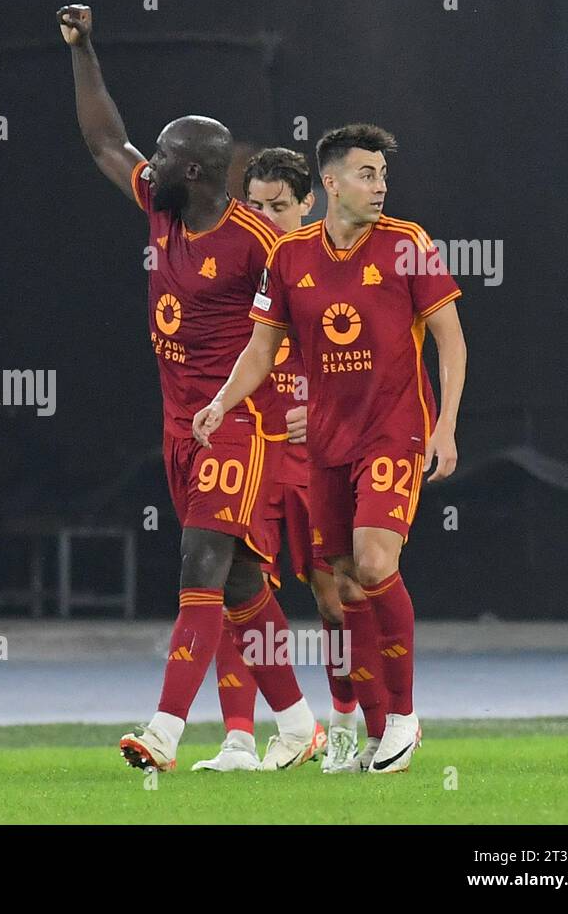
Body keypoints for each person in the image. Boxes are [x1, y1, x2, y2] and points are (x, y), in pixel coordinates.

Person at [59, 3, 321, 773]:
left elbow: (314, 324)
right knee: (241, 585)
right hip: (182, 422)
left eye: (165, 157)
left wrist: (310, 405)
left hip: (244, 424)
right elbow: (106, 139)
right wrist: (84, 50)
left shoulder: (259, 243)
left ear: (196, 171)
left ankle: (165, 730)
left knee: (199, 564)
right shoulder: (165, 209)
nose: (151, 165)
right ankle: (301, 722)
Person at [194, 123, 467, 773]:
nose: (381, 185)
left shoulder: (408, 246)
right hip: (325, 446)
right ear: (333, 182)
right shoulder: (291, 258)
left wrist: (446, 424)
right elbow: (260, 350)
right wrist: (221, 402)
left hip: (392, 435)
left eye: (383, 175)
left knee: (374, 564)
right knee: (337, 597)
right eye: (367, 174)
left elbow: (451, 342)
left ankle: (402, 716)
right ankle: (355, 723)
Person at [193, 147, 358, 773]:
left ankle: (347, 721)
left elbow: (370, 355)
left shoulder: (331, 260)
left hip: (317, 458)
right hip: (253, 450)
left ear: (307, 203)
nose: (263, 218)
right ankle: (239, 737)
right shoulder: (237, 263)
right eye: (254, 206)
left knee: (335, 596)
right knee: (237, 589)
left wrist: (322, 408)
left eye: (277, 207)